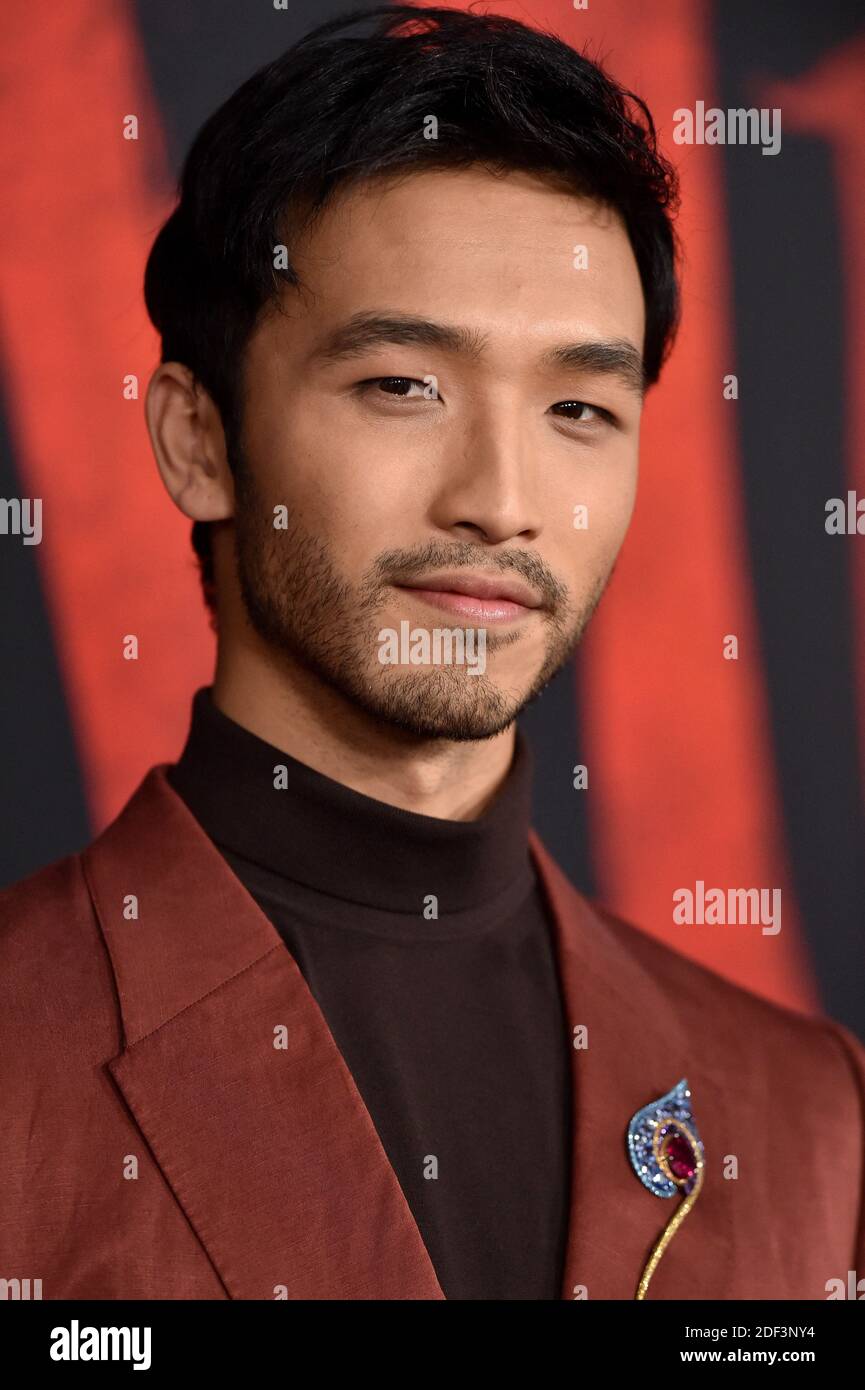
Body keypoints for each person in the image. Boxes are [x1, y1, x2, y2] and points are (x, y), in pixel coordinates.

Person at [1, 5, 863, 1302]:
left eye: (578, 406)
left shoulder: (806, 1113)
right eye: (403, 385)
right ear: (197, 439)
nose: (499, 498)